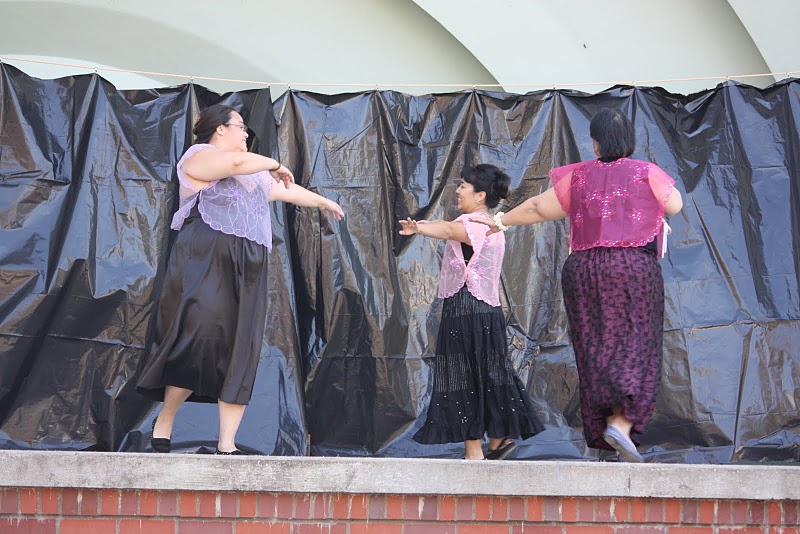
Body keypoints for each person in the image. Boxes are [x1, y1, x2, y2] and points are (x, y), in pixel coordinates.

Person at [473, 108, 683, 462]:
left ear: (595, 144)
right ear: (629, 141)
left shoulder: (580, 177)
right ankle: (621, 422)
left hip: (584, 269)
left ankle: (606, 432)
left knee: (594, 345)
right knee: (636, 341)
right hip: (633, 268)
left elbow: (539, 208)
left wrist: (501, 221)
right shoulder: (648, 174)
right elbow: (674, 206)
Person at [136, 104, 344, 455]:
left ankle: (226, 443)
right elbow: (233, 165)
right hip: (206, 259)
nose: (246, 133)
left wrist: (324, 202)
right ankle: (166, 417)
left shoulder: (255, 174)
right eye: (240, 127)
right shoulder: (198, 156)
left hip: (248, 264)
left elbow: (288, 192)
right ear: (220, 129)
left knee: (240, 347)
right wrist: (275, 163)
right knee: (199, 336)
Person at [399, 164, 543, 460]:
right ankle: (498, 440)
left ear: (480, 195)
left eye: (464, 186)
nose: (458, 190)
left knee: (461, 377)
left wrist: (419, 228)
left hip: (465, 310)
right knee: (490, 373)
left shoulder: (473, 223)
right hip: (486, 312)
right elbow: (450, 225)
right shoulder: (491, 225)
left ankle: (473, 450)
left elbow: (450, 229)